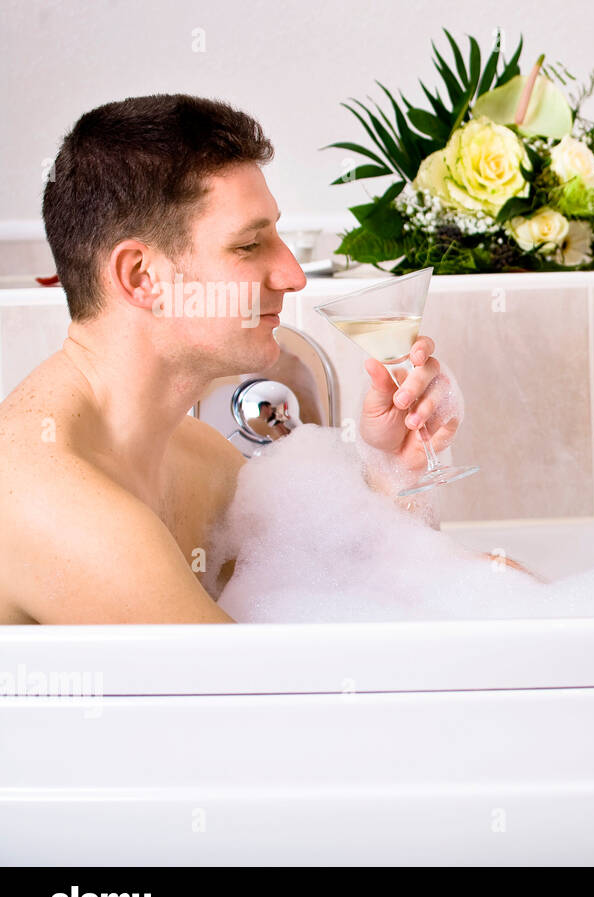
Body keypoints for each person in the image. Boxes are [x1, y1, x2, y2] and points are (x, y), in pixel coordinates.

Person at [0, 94, 463, 624]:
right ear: (141, 277)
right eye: (248, 246)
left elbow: (380, 596)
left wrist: (397, 474)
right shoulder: (56, 504)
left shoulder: (199, 457)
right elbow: (267, 700)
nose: (292, 275)